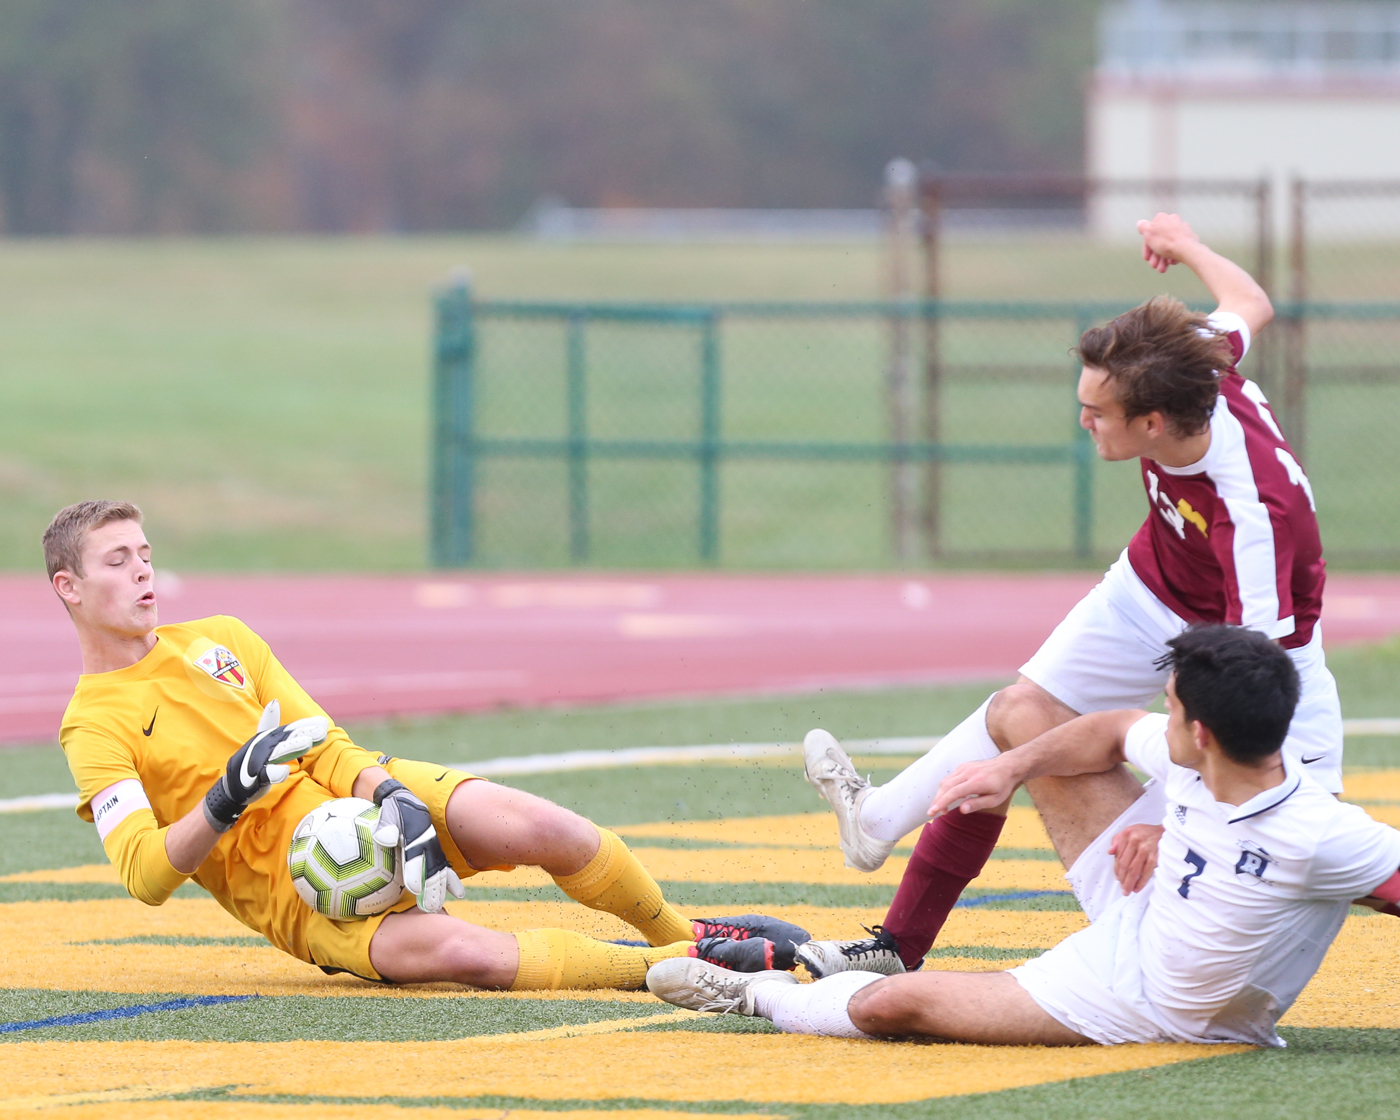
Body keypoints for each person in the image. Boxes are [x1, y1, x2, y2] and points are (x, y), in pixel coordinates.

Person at [797, 212, 1343, 978]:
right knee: (1015, 712)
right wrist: (1185, 248)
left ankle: (1148, 969)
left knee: (1224, 875)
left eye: (1096, 411)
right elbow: (1250, 299)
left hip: (1259, 680)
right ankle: (881, 844)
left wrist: (1179, 818)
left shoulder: (1254, 515)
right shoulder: (1200, 365)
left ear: (1153, 421)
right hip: (1152, 588)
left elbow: (1252, 687)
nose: (1081, 419)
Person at [48, 500, 807, 991]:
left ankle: (686, 935)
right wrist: (226, 797)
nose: (143, 570)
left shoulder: (224, 640)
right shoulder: (93, 725)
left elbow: (325, 748)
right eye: (117, 561)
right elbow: (146, 876)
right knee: (468, 955)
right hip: (305, 899)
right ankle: (685, 969)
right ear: (69, 588)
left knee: (554, 831)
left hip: (362, 805)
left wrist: (398, 802)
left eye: (144, 552)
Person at [648, 626, 1400, 1046]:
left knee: (888, 1007)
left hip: (1145, 1008)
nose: (1156, 718)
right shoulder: (1220, 759)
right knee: (1024, 714)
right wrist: (1008, 771)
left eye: (1168, 708)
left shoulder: (1321, 837)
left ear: (1200, 734)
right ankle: (890, 931)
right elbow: (1109, 731)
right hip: (1143, 904)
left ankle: (756, 997)